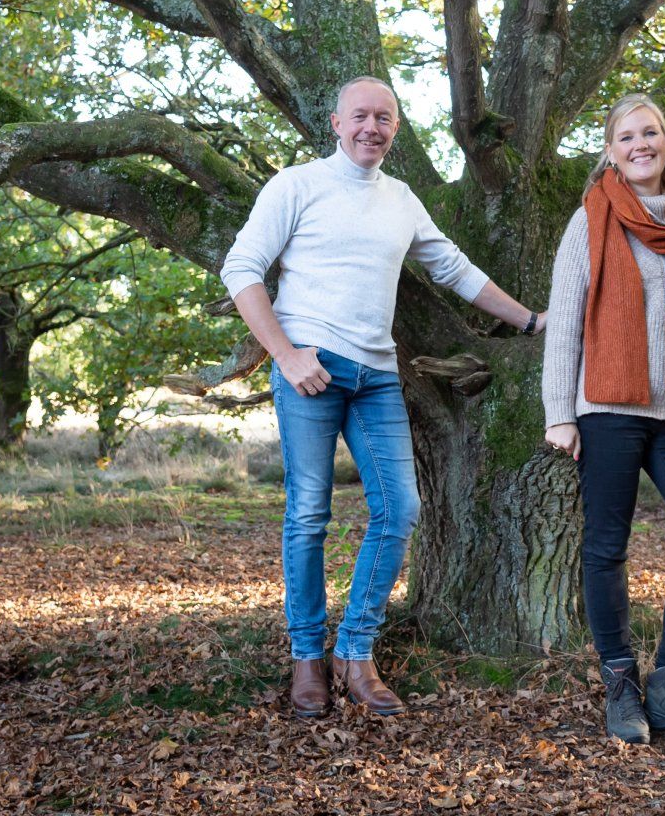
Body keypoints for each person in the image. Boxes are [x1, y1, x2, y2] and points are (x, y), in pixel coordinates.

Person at [222, 76, 545, 718]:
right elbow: (241, 269)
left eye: (386, 118)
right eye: (361, 116)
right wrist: (285, 354)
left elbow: (453, 268)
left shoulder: (401, 199)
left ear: (396, 128)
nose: (373, 127)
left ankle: (356, 651)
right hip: (308, 372)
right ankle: (307, 659)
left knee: (401, 509)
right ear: (336, 122)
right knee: (308, 516)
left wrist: (531, 322)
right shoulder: (296, 185)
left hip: (376, 376)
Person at [542, 92, 665, 744]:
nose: (639, 145)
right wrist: (559, 413)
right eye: (626, 137)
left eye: (649, 133)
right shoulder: (591, 222)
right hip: (607, 409)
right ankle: (622, 687)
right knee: (606, 549)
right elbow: (565, 323)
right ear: (611, 150)